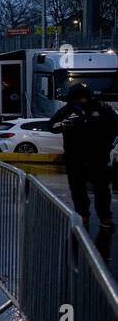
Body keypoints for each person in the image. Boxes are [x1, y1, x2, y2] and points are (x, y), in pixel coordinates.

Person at [48, 82, 118, 229]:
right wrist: (63, 125)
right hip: (75, 157)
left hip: (97, 156)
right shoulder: (66, 110)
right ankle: (82, 215)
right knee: (77, 187)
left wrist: (109, 145)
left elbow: (116, 126)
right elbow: (51, 126)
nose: (82, 101)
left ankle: (105, 217)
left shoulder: (103, 108)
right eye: (79, 98)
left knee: (101, 188)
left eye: (85, 97)